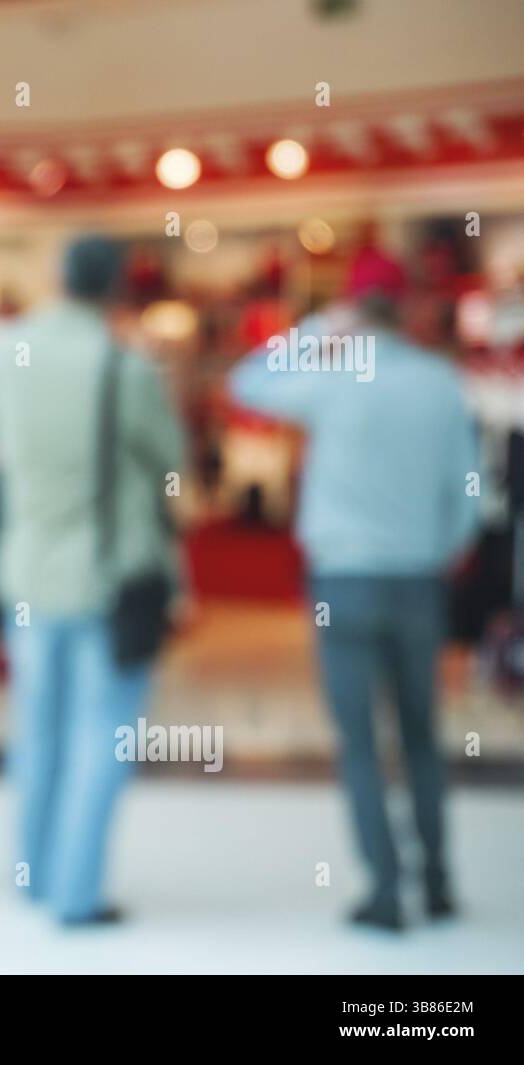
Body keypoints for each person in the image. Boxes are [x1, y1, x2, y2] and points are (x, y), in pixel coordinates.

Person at [229, 247, 480, 931]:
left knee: (362, 741)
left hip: (344, 581)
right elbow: (468, 492)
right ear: (404, 309)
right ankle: (437, 879)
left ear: (353, 309)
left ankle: (385, 889)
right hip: (418, 580)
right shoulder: (439, 382)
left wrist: (316, 327)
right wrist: (441, 552)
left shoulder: (332, 380)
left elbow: (247, 381)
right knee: (421, 734)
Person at [0, 237, 185, 925]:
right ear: (118, 289)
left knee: (36, 729)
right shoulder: (123, 368)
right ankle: (75, 892)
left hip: (28, 569)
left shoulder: (6, 355)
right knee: (104, 732)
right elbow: (172, 458)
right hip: (107, 572)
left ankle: (33, 872)